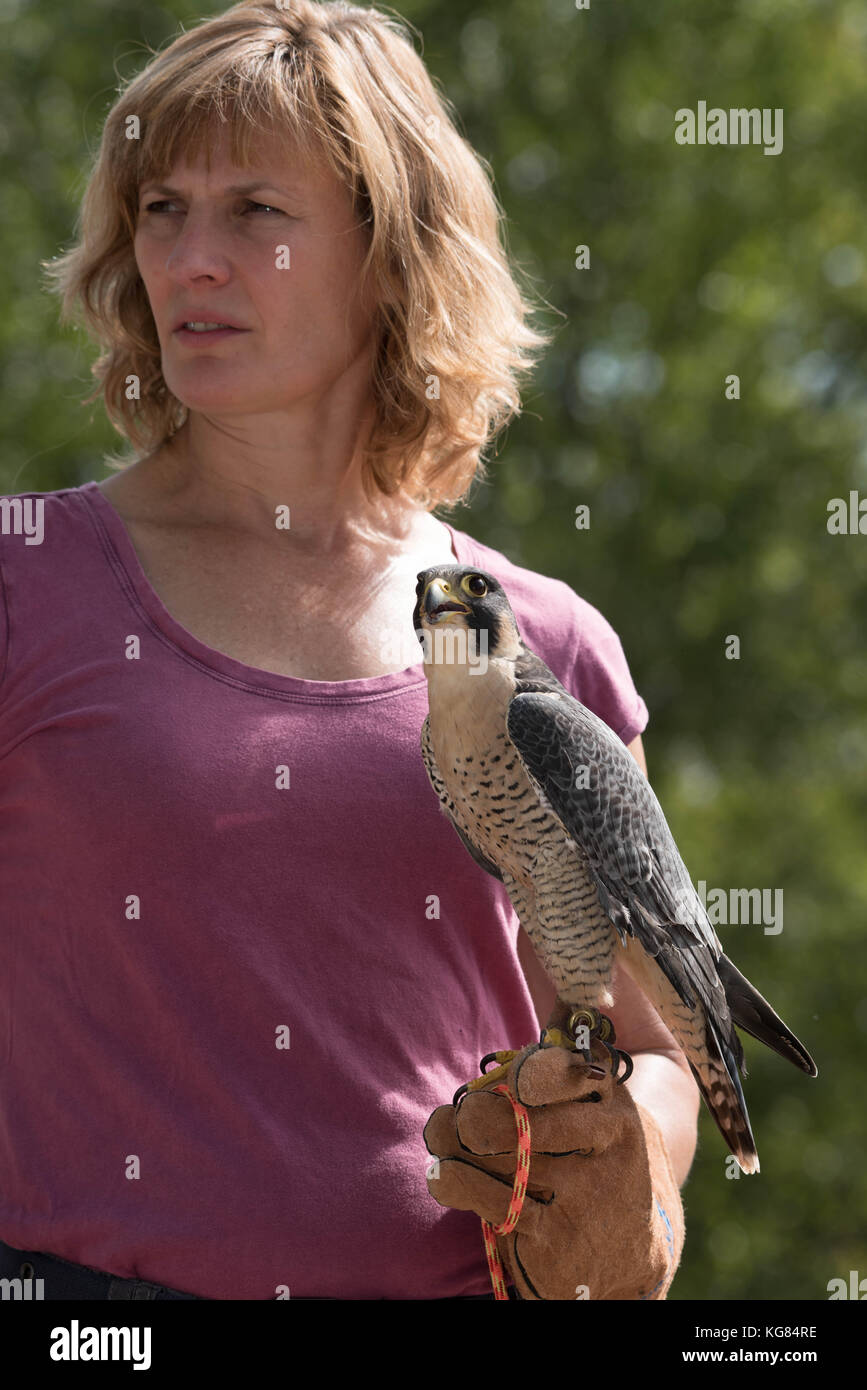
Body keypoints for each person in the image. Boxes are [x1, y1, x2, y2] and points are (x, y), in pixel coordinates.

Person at [0, 0, 698, 1300]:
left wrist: (627, 1166)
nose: (191, 259)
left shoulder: (541, 643)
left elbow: (655, 1050)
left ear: (392, 254)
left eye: (256, 210)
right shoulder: (20, 577)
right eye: (162, 208)